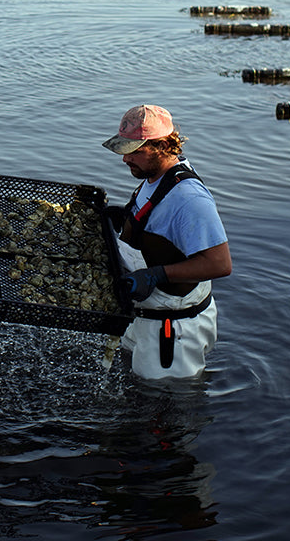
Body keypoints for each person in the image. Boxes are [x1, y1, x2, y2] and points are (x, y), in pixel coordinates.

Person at [102, 104, 232, 379]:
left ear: (162, 146)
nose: (126, 159)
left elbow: (220, 264)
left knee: (167, 405)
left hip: (174, 329)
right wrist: (123, 219)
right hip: (146, 313)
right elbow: (157, 222)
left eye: (135, 151)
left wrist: (156, 275)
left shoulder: (189, 199)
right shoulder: (155, 177)